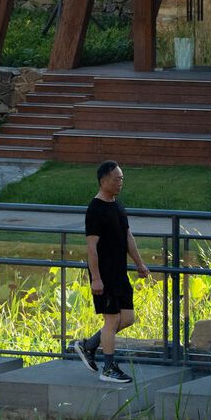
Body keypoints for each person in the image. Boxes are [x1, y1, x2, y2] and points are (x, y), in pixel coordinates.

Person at [70, 160, 151, 386]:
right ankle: (108, 368)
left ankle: (88, 345)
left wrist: (140, 263)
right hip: (104, 274)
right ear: (103, 180)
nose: (120, 182)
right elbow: (91, 248)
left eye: (122, 178)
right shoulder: (95, 209)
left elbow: (128, 237)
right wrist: (95, 278)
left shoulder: (117, 205)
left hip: (119, 272)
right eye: (117, 179)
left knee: (127, 318)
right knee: (112, 319)